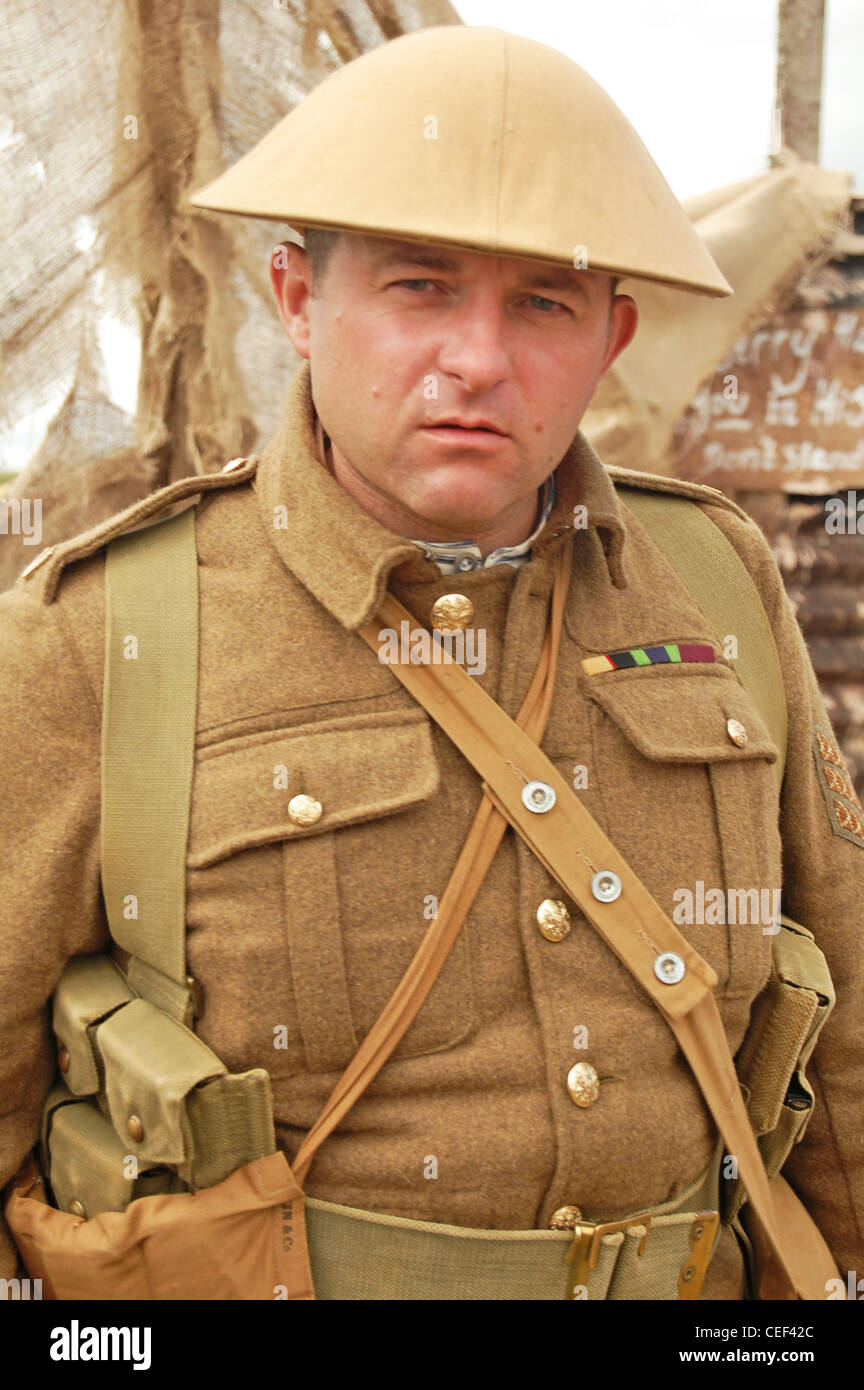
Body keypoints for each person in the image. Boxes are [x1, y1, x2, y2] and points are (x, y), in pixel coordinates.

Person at [1, 24, 861, 1301]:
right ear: (297, 301)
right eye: (419, 288)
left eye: (544, 305)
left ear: (612, 338)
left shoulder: (717, 582)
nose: (478, 359)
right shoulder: (107, 633)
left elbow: (846, 1042)